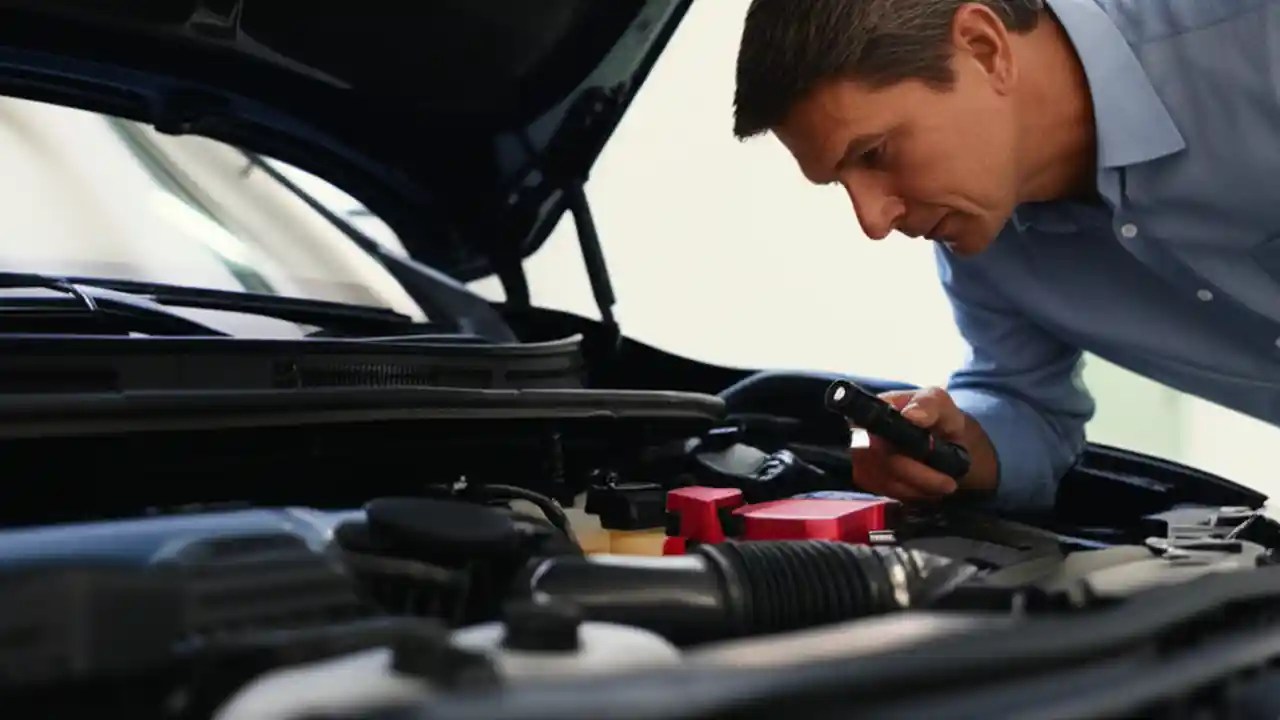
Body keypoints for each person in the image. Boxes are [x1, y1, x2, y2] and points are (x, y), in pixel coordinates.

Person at [731, 0, 1280, 513]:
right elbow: (1024, 400)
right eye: (838, 184)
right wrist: (958, 443)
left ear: (984, 48)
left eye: (875, 153)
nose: (873, 221)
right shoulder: (981, 240)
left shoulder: (1255, 33)